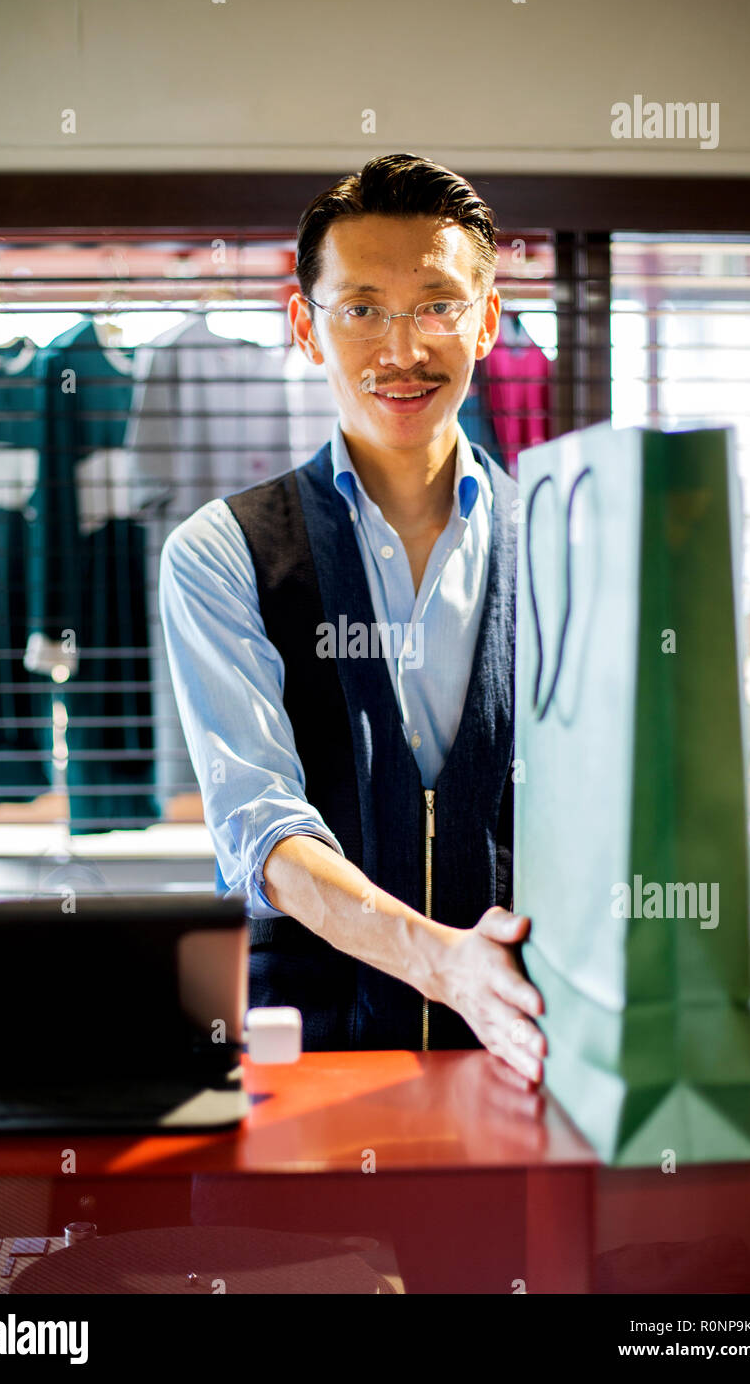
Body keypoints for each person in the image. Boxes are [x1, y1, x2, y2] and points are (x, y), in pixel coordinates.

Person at [160, 153, 545, 1087]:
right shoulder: (222, 553)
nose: (401, 351)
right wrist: (444, 964)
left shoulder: (565, 548)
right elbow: (263, 832)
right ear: (307, 327)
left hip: (525, 1063)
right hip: (306, 1071)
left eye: (437, 305)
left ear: (486, 320)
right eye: (363, 308)